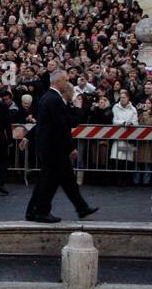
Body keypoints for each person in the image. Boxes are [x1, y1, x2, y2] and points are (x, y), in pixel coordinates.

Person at [25, 72, 98, 224]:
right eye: (65, 79)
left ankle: (80, 207)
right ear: (58, 81)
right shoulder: (54, 99)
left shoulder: (48, 97)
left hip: (50, 147)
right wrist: (71, 147)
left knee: (65, 180)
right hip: (54, 148)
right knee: (49, 182)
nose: (67, 82)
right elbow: (62, 126)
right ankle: (41, 211)